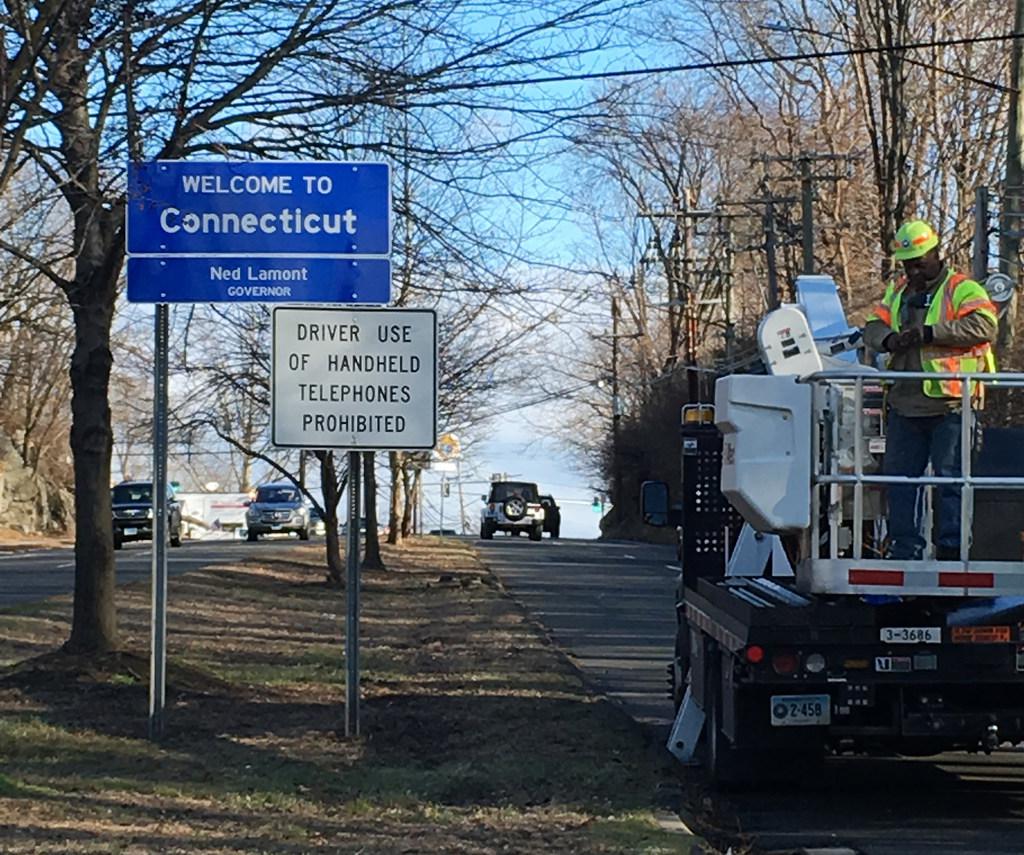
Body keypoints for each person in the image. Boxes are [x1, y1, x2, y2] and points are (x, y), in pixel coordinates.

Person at [863, 219, 997, 561]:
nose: (913, 269)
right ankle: (904, 549)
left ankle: (951, 551)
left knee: (951, 481)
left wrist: (928, 333)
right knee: (901, 482)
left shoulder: (962, 288)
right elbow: (873, 326)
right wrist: (890, 340)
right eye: (908, 263)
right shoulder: (898, 291)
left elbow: (984, 325)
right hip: (905, 403)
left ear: (936, 253)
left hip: (951, 403)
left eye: (919, 261)